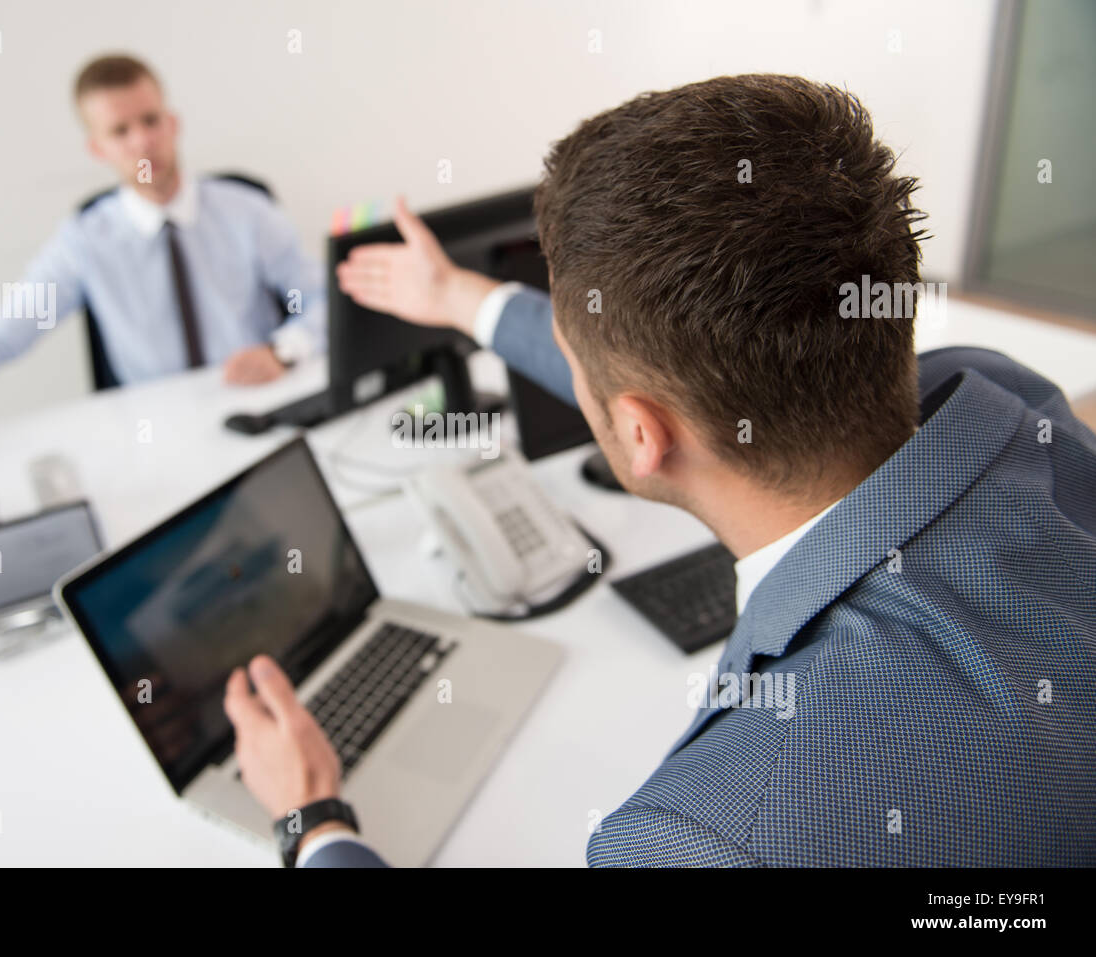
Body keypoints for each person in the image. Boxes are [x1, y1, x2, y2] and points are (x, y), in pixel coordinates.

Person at [223, 74, 1096, 867]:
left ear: (641, 434)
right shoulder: (1016, 404)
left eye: (576, 359)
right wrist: (460, 299)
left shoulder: (706, 837)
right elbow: (664, 368)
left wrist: (315, 823)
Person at [0, 54, 325, 441]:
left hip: (261, 411)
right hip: (161, 433)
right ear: (98, 148)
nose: (142, 141)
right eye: (120, 131)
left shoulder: (248, 210)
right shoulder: (84, 243)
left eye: (150, 121)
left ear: (173, 123)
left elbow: (322, 298)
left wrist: (283, 350)